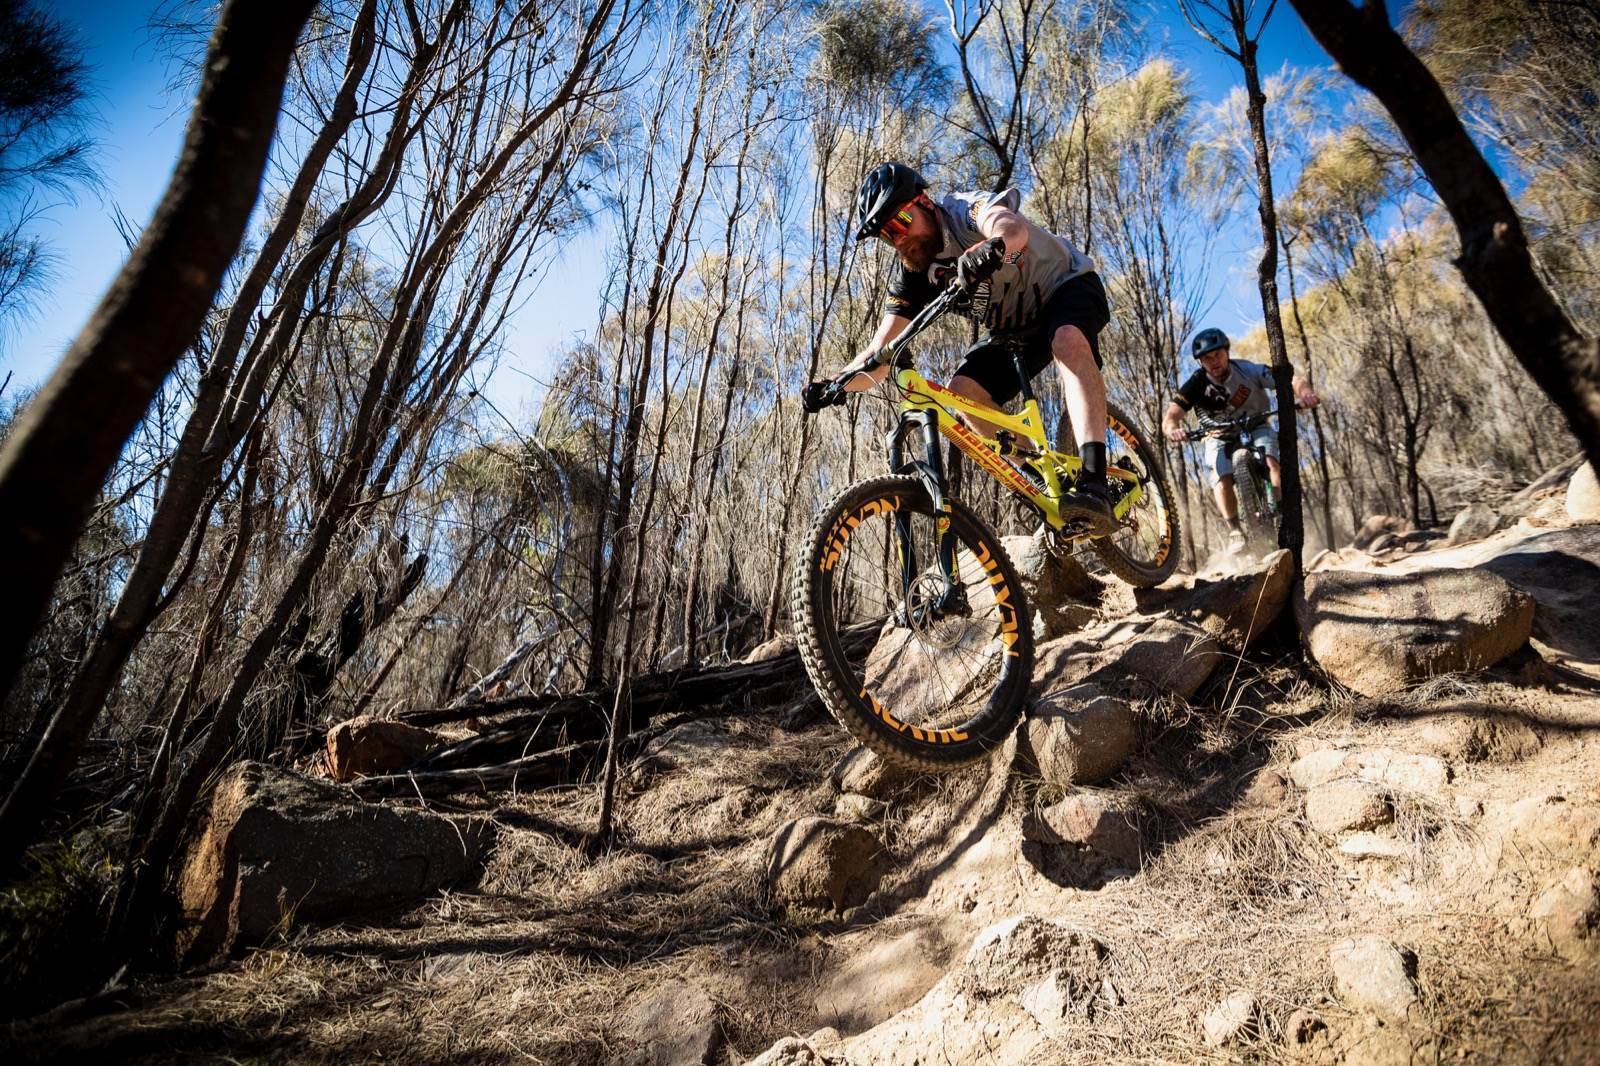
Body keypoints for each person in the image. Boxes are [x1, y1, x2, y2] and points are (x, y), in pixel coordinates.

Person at [802, 162, 1116, 531]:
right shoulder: (916, 274)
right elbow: (880, 354)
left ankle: (1095, 484)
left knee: (1066, 340)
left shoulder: (963, 211)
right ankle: (1049, 482)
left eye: (901, 221)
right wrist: (835, 384)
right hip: (1014, 326)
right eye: (887, 234)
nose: (898, 238)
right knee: (963, 393)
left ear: (925, 202)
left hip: (1065, 285)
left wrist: (992, 247)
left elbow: (1011, 229)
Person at [1161, 327, 1318, 552]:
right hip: (1218, 435)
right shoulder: (1196, 384)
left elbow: (1290, 379)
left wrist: (1305, 394)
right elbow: (1172, 414)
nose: (1214, 362)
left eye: (1218, 355)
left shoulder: (1247, 370)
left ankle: (1284, 513)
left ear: (1227, 352)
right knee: (1221, 477)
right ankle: (1235, 529)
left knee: (1272, 463)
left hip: (1256, 425)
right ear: (1200, 362)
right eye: (1207, 358)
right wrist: (1172, 429)